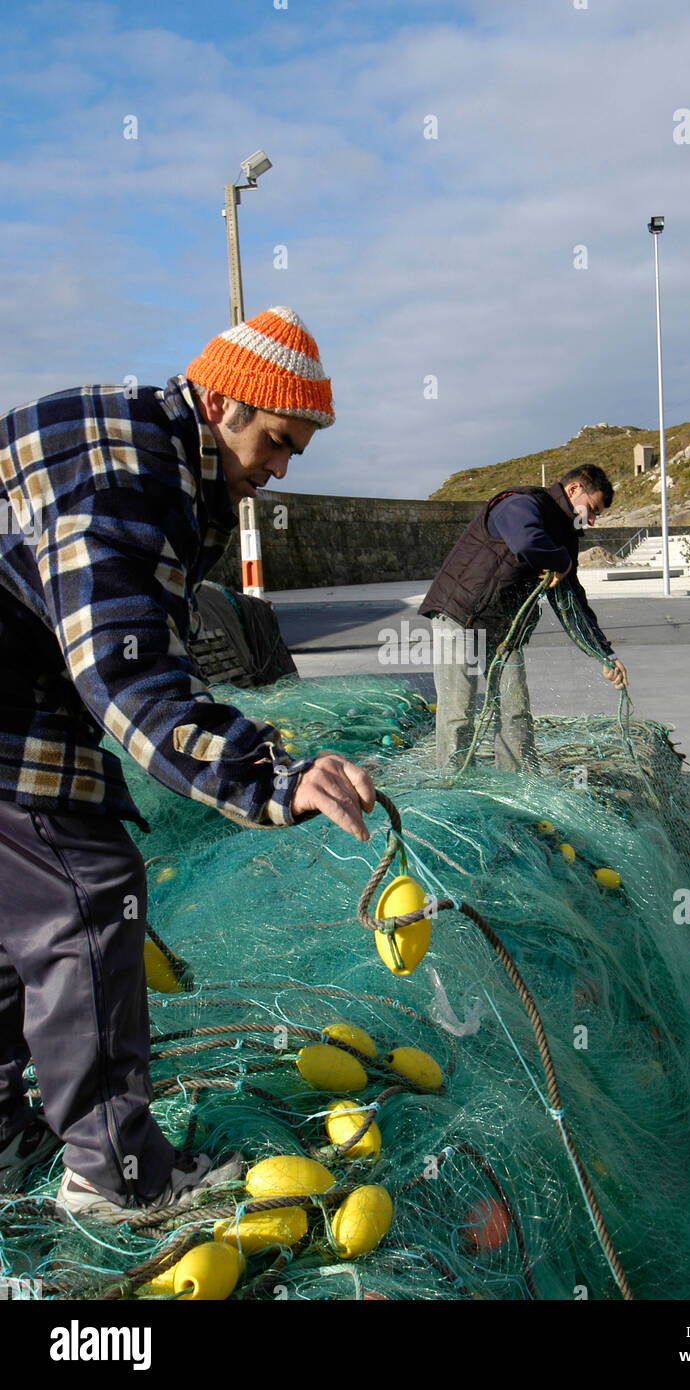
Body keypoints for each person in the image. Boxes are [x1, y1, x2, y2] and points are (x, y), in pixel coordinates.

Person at [0, 305, 375, 1216]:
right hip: (14, 725)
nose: (280, 469)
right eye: (276, 440)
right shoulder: (129, 473)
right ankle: (119, 1177)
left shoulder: (148, 443)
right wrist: (270, 774)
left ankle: (9, 1149)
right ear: (219, 404)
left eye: (296, 452)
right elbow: (122, 667)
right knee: (87, 897)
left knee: (14, 936)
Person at [419, 465, 627, 770]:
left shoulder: (565, 533)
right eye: (592, 509)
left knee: (515, 710)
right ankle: (453, 786)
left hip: (504, 631)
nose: (592, 520)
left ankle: (518, 783)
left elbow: (572, 602)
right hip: (460, 616)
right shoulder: (520, 503)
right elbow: (527, 542)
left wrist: (604, 653)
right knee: (458, 712)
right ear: (573, 490)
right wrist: (562, 562)